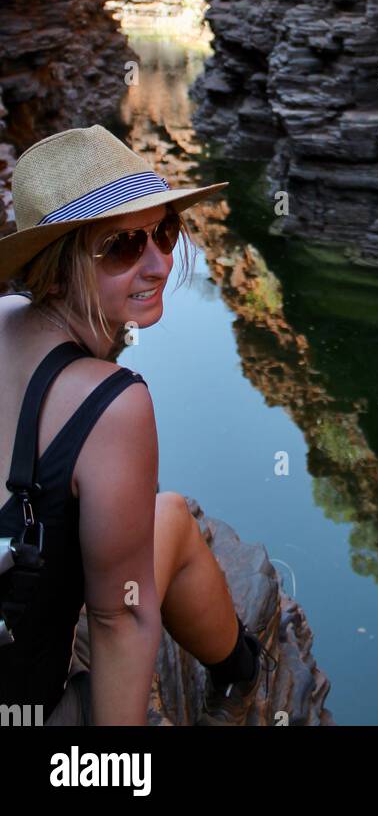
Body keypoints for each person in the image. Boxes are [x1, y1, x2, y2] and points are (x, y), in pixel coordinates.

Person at [0, 124, 276, 726]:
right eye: (123, 245)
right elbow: (118, 618)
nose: (159, 263)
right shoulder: (112, 405)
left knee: (166, 514)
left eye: (166, 231)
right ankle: (240, 674)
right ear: (57, 266)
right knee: (170, 518)